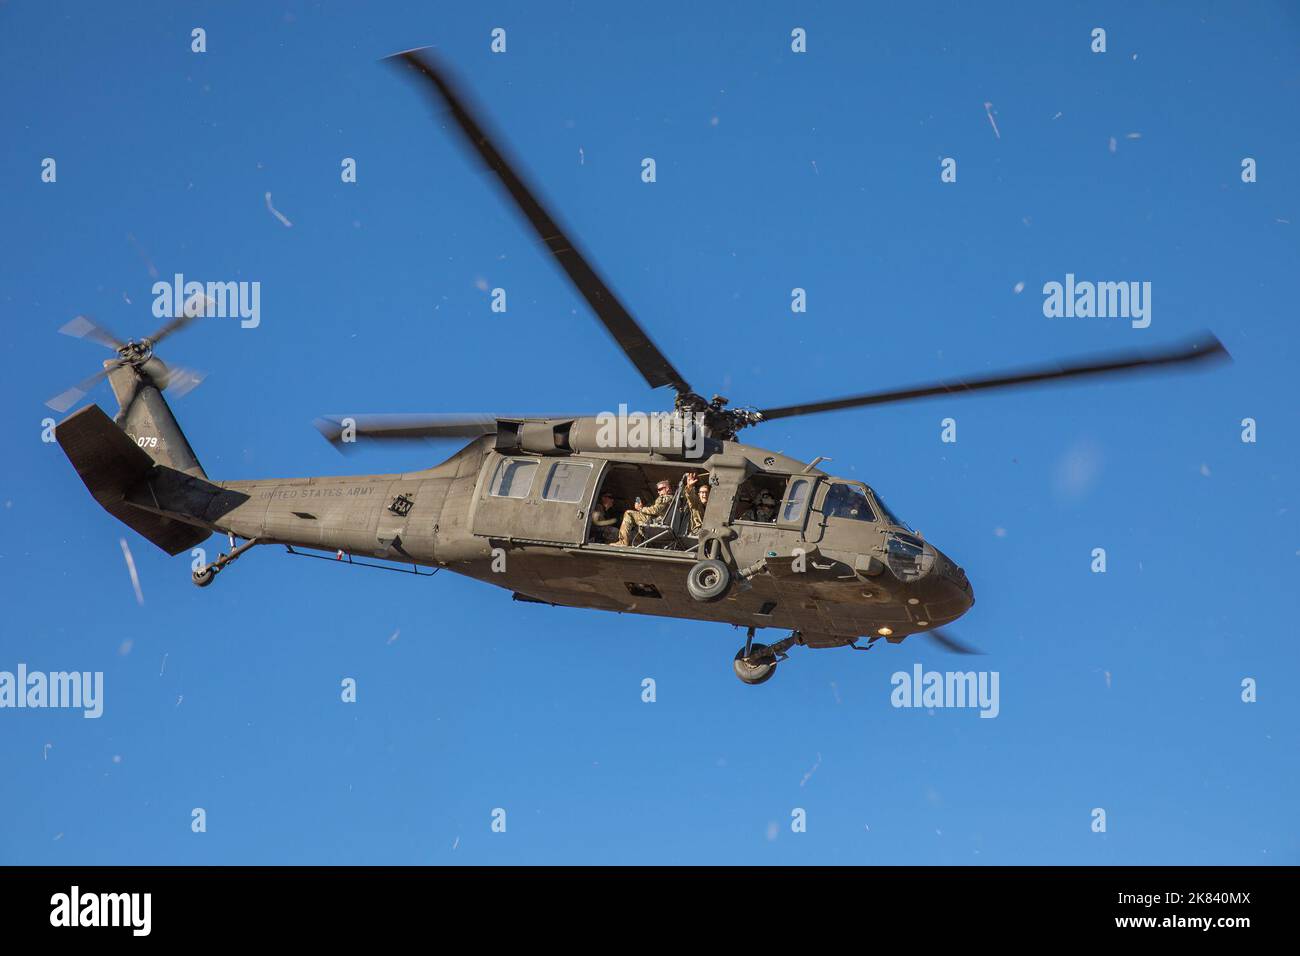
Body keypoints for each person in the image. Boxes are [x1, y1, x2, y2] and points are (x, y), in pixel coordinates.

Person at [617, 478, 674, 546]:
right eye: (657, 490)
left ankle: (623, 542)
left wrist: (641, 509)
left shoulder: (665, 498)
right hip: (659, 522)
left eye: (660, 489)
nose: (658, 492)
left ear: (667, 488)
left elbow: (655, 510)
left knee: (628, 513)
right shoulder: (673, 499)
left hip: (656, 522)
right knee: (637, 518)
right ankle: (637, 542)